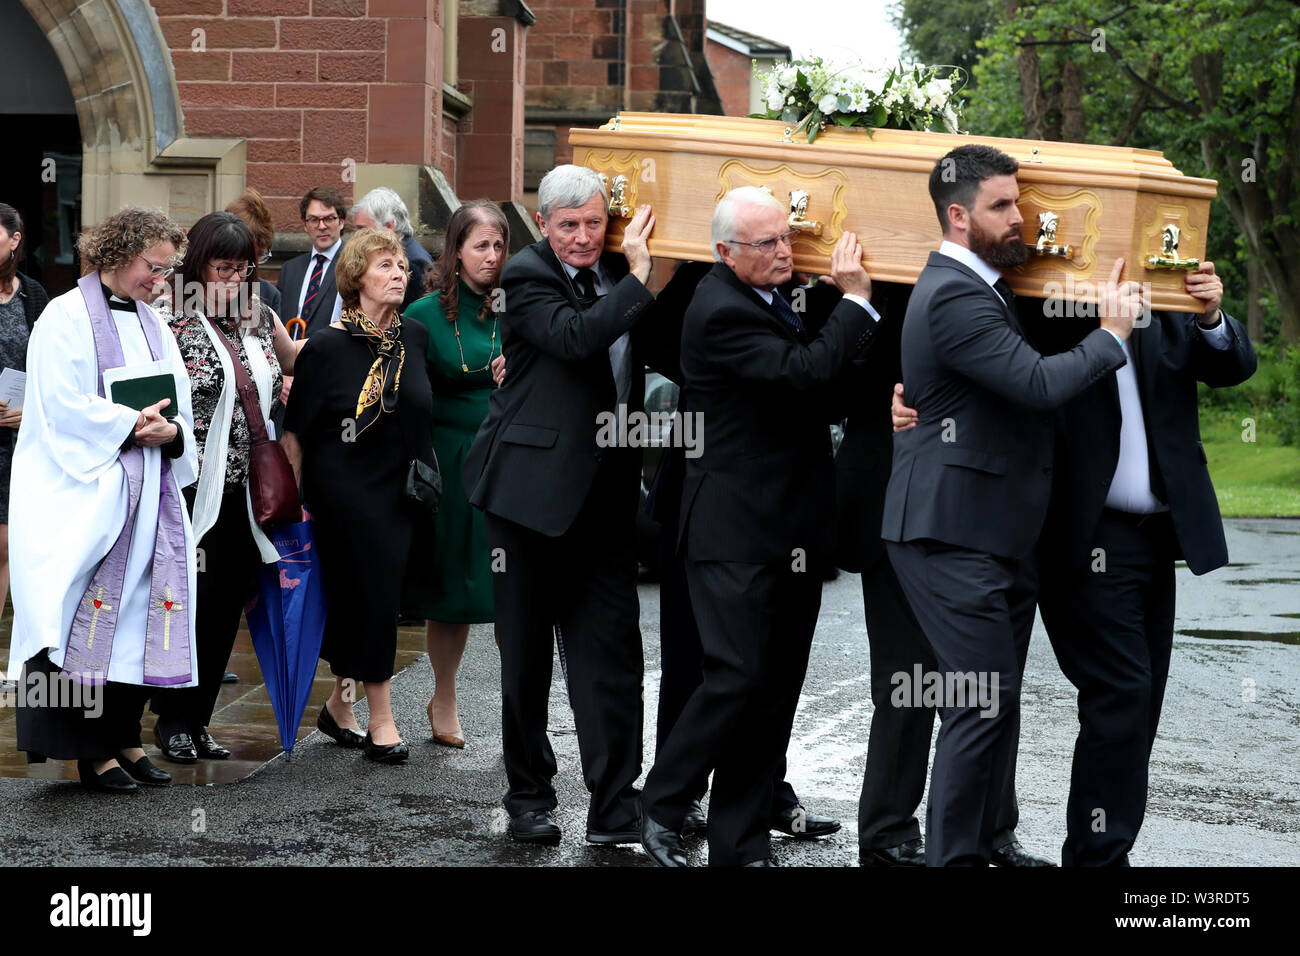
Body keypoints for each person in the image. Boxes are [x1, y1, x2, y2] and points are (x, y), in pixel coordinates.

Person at [879, 144, 1137, 866]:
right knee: (979, 702)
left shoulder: (982, 284)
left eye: (1018, 202)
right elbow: (1035, 384)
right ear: (957, 216)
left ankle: (982, 846)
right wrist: (1112, 335)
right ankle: (953, 859)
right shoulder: (956, 292)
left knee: (992, 702)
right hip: (947, 532)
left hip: (988, 531)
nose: (1018, 216)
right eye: (1001, 206)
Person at [639, 187, 878, 867]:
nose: (785, 251)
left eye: (787, 237)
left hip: (790, 527)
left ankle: (739, 842)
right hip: (732, 530)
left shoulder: (769, 297)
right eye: (766, 243)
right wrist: (857, 300)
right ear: (722, 252)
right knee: (735, 676)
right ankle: (661, 802)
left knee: (772, 689)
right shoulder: (718, 310)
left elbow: (823, 383)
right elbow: (806, 372)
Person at [463, 164, 683, 846]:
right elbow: (575, 338)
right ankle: (528, 796)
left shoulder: (623, 269)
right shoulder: (527, 275)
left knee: (611, 657)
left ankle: (614, 805)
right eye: (569, 226)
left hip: (606, 498)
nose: (584, 238)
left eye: (594, 223)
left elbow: (664, 342)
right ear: (544, 224)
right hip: (527, 496)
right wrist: (644, 282)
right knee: (525, 660)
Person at [1027, 263, 1252, 865]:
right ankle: (1098, 859)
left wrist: (1209, 316)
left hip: (1156, 536)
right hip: (1087, 534)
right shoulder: (1050, 296)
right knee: (1120, 693)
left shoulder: (1163, 295)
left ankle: (1103, 850)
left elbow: (1233, 366)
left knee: (1140, 699)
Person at [835, 278, 1054, 867]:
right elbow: (830, 376)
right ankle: (889, 833)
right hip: (904, 501)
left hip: (999, 509)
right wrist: (888, 395)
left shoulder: (1015, 280)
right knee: (909, 681)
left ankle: (991, 832)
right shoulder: (878, 276)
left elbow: (1037, 364)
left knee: (992, 686)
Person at [7, 207, 197, 792]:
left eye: (167, 272)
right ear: (117, 255)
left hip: (146, 496)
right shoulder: (63, 316)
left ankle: (125, 737)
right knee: (81, 618)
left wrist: (173, 432)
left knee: (135, 615)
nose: (160, 282)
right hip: (83, 493)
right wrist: (127, 424)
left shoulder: (154, 322)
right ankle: (89, 751)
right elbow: (58, 403)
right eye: (153, 268)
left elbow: (179, 397)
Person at [148, 211, 303, 763]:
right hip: (186, 485)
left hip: (245, 489)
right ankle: (172, 719)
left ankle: (200, 717)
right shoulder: (167, 316)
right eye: (223, 268)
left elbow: (296, 363)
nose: (235, 280)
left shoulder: (258, 315)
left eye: (244, 269)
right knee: (189, 602)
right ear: (198, 266)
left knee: (226, 607)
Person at [282, 228, 436, 764]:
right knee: (373, 598)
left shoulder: (415, 337)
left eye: (401, 265)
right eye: (385, 266)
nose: (399, 273)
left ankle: (338, 707)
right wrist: (295, 506)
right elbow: (295, 432)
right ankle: (382, 718)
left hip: (401, 491)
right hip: (343, 492)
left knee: (367, 600)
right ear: (356, 278)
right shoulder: (326, 347)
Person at [401, 201, 508, 748]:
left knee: (474, 585)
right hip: (441, 459)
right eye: (480, 246)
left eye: (498, 246)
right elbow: (402, 393)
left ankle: (448, 695)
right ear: (456, 251)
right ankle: (347, 697)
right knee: (437, 582)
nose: (491, 257)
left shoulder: (515, 307)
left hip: (500, 457)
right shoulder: (420, 313)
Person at [0, 203, 48, 672]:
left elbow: (55, 369)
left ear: (15, 239)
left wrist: (31, 410)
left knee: (11, 545)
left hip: (21, 441)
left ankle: (19, 659)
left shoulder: (33, 296)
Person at [350, 187, 435, 311]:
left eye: (363, 229)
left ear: (389, 226)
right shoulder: (401, 253)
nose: (356, 237)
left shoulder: (413, 261)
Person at [225, 188, 283, 318]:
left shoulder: (269, 295)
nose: (252, 266)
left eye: (258, 255)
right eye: (244, 257)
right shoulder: (199, 288)